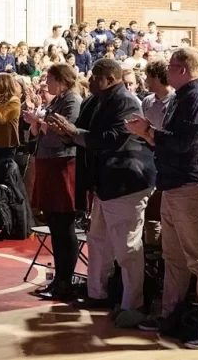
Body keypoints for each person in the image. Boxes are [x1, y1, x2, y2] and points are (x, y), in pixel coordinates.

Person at [126, 47, 198, 349]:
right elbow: (174, 143)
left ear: (183, 69)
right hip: (177, 185)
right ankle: (169, 315)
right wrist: (147, 133)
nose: (166, 72)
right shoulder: (185, 97)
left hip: (193, 186)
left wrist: (148, 131)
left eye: (170, 66)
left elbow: (185, 144)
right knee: (175, 259)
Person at [48, 59, 156, 326]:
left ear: (109, 77)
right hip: (105, 183)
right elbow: (83, 135)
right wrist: (66, 132)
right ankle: (97, 293)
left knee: (127, 245)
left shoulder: (126, 101)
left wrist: (74, 132)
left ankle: (133, 302)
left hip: (125, 181)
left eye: (95, 75)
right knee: (98, 239)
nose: (90, 79)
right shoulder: (95, 101)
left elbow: (112, 139)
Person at [25, 63, 82, 300]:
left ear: (62, 80)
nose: (46, 82)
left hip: (63, 164)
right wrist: (37, 124)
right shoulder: (57, 100)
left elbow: (67, 134)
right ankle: (59, 278)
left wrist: (40, 123)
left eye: (50, 78)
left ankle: (65, 280)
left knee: (63, 224)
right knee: (54, 223)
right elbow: (46, 129)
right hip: (49, 162)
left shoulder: (72, 101)